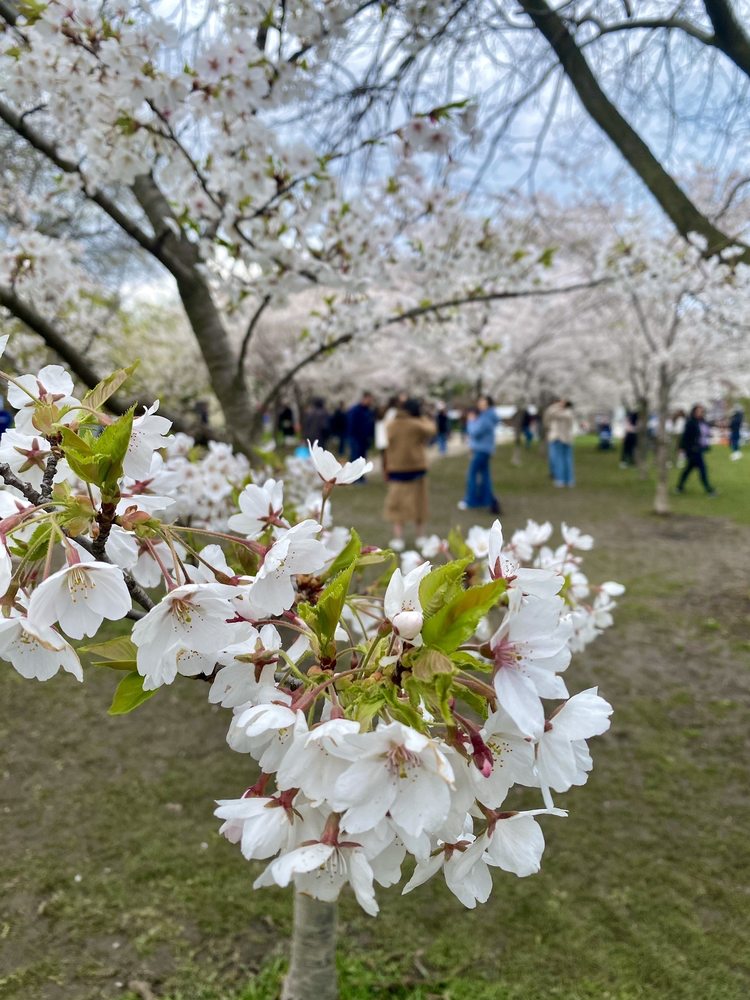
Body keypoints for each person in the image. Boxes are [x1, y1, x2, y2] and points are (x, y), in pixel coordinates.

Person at [383, 399, 436, 551]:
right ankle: (420, 536)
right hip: (417, 467)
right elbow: (431, 430)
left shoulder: (391, 425)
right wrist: (423, 417)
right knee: (420, 504)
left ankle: (398, 539)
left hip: (397, 468)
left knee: (397, 505)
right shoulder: (417, 424)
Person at [458, 395, 501, 513]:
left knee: (472, 475)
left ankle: (471, 501)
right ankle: (485, 500)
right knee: (485, 476)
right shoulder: (488, 416)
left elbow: (474, 432)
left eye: (484, 404)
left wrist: (471, 421)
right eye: (480, 403)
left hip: (481, 450)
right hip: (485, 450)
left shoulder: (486, 417)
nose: (481, 406)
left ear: (489, 405)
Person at [676, 404, 716, 496]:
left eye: (702, 411)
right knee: (702, 469)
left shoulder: (702, 422)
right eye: (698, 411)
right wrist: (681, 448)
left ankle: (679, 487)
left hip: (700, 448)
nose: (700, 413)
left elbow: (706, 433)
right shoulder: (690, 422)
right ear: (694, 412)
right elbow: (685, 437)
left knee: (688, 469)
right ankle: (709, 489)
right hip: (693, 449)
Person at [544, 398, 576, 488]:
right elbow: (547, 417)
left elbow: (549, 415)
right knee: (562, 459)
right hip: (561, 438)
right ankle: (567, 480)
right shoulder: (568, 412)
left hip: (561, 438)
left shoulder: (565, 413)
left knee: (562, 459)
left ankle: (563, 479)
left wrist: (557, 406)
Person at [346, 391, 376, 473]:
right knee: (355, 457)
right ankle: (353, 476)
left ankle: (360, 475)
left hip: (364, 439)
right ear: (364, 399)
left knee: (363, 458)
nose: (370, 401)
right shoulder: (355, 410)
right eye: (369, 399)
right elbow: (352, 425)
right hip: (356, 438)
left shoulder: (369, 411)